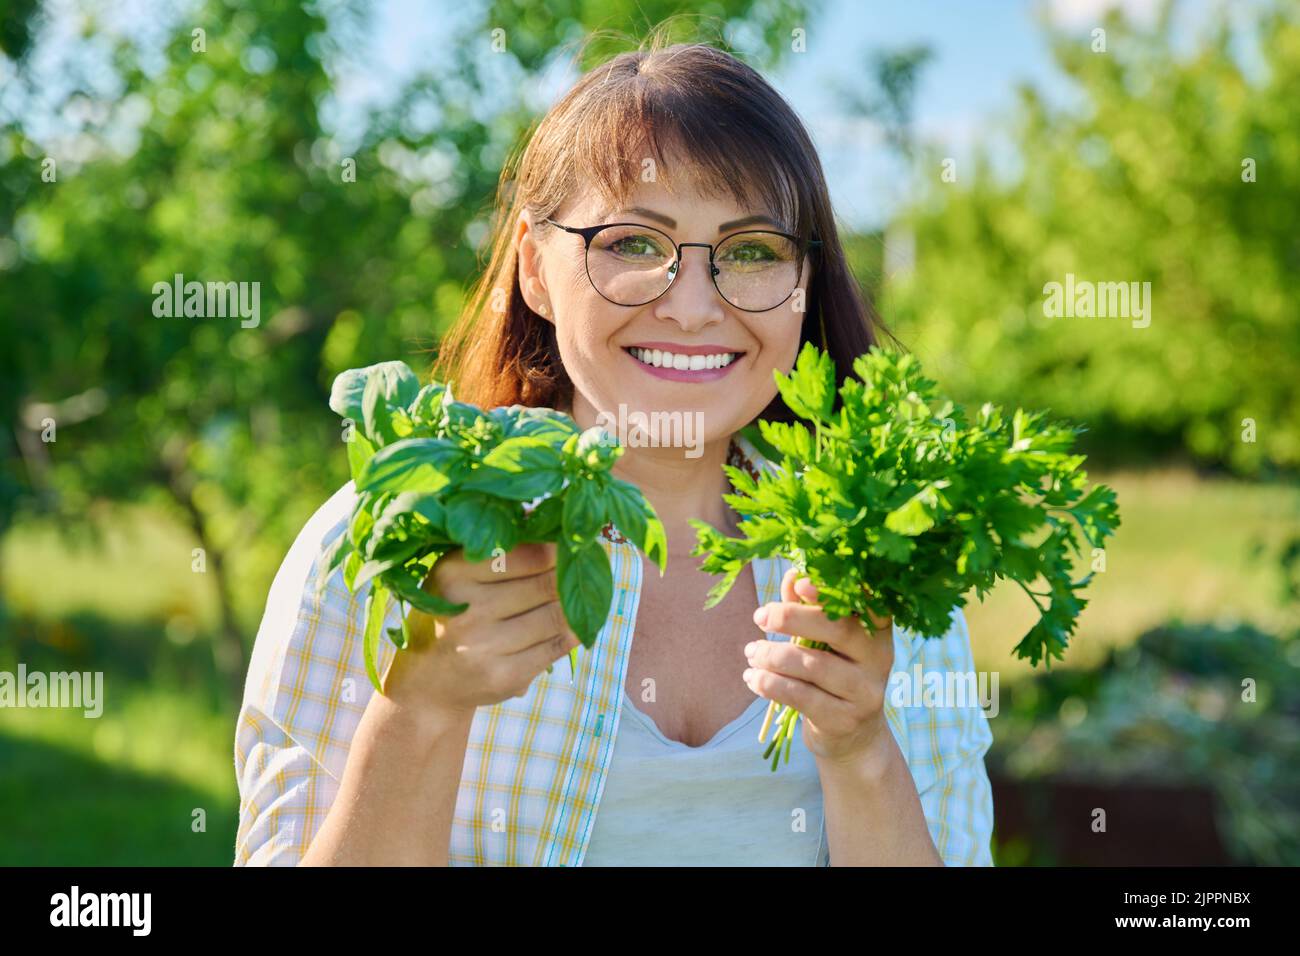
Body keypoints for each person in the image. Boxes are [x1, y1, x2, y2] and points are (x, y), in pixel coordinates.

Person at [234, 33, 994, 867]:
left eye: (750, 252)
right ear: (533, 268)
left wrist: (860, 752)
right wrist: (421, 710)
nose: (694, 308)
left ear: (805, 284)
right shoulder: (390, 542)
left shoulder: (879, 564)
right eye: (634, 244)